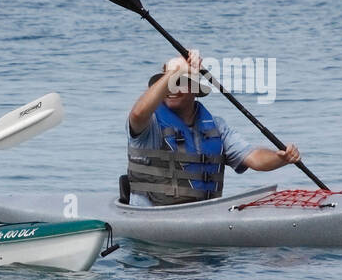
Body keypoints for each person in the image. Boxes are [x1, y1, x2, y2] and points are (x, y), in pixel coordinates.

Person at [126, 50, 301, 206]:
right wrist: (176, 71)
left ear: (194, 88)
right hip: (153, 216)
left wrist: (280, 158)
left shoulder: (216, 126)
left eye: (179, 81)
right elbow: (137, 114)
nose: (172, 89)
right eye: (168, 83)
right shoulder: (150, 123)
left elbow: (254, 158)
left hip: (202, 214)